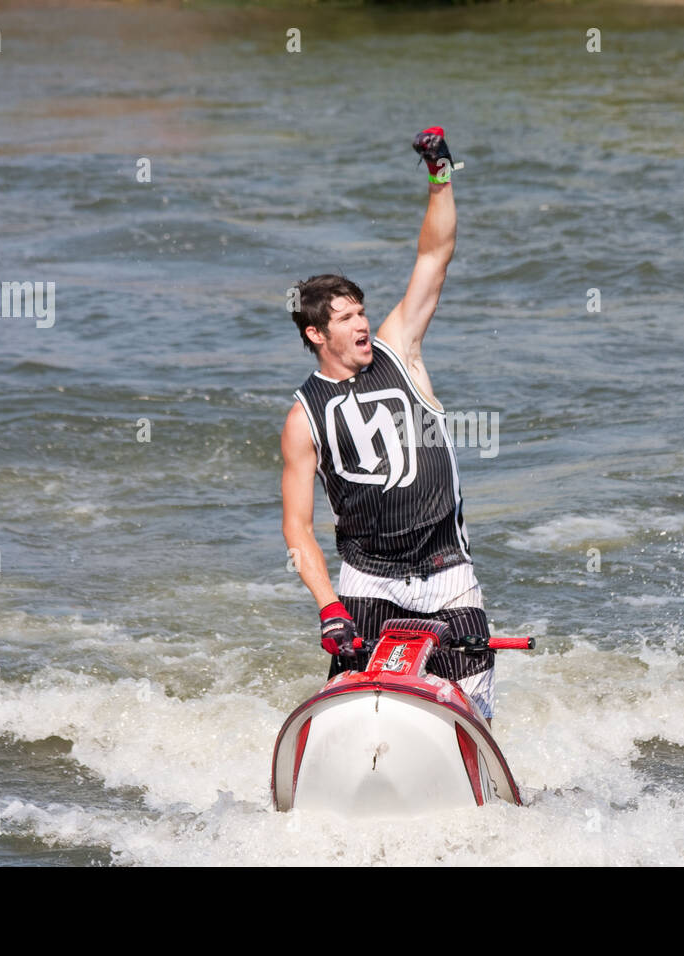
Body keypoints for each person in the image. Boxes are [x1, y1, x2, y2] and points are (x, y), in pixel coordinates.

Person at [280, 127, 497, 720]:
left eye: (362, 312)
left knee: (469, 712)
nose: (361, 324)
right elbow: (297, 528)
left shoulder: (400, 349)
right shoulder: (303, 418)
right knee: (357, 712)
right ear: (316, 334)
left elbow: (434, 256)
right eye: (346, 318)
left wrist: (440, 177)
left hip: (446, 572)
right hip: (367, 581)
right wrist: (330, 608)